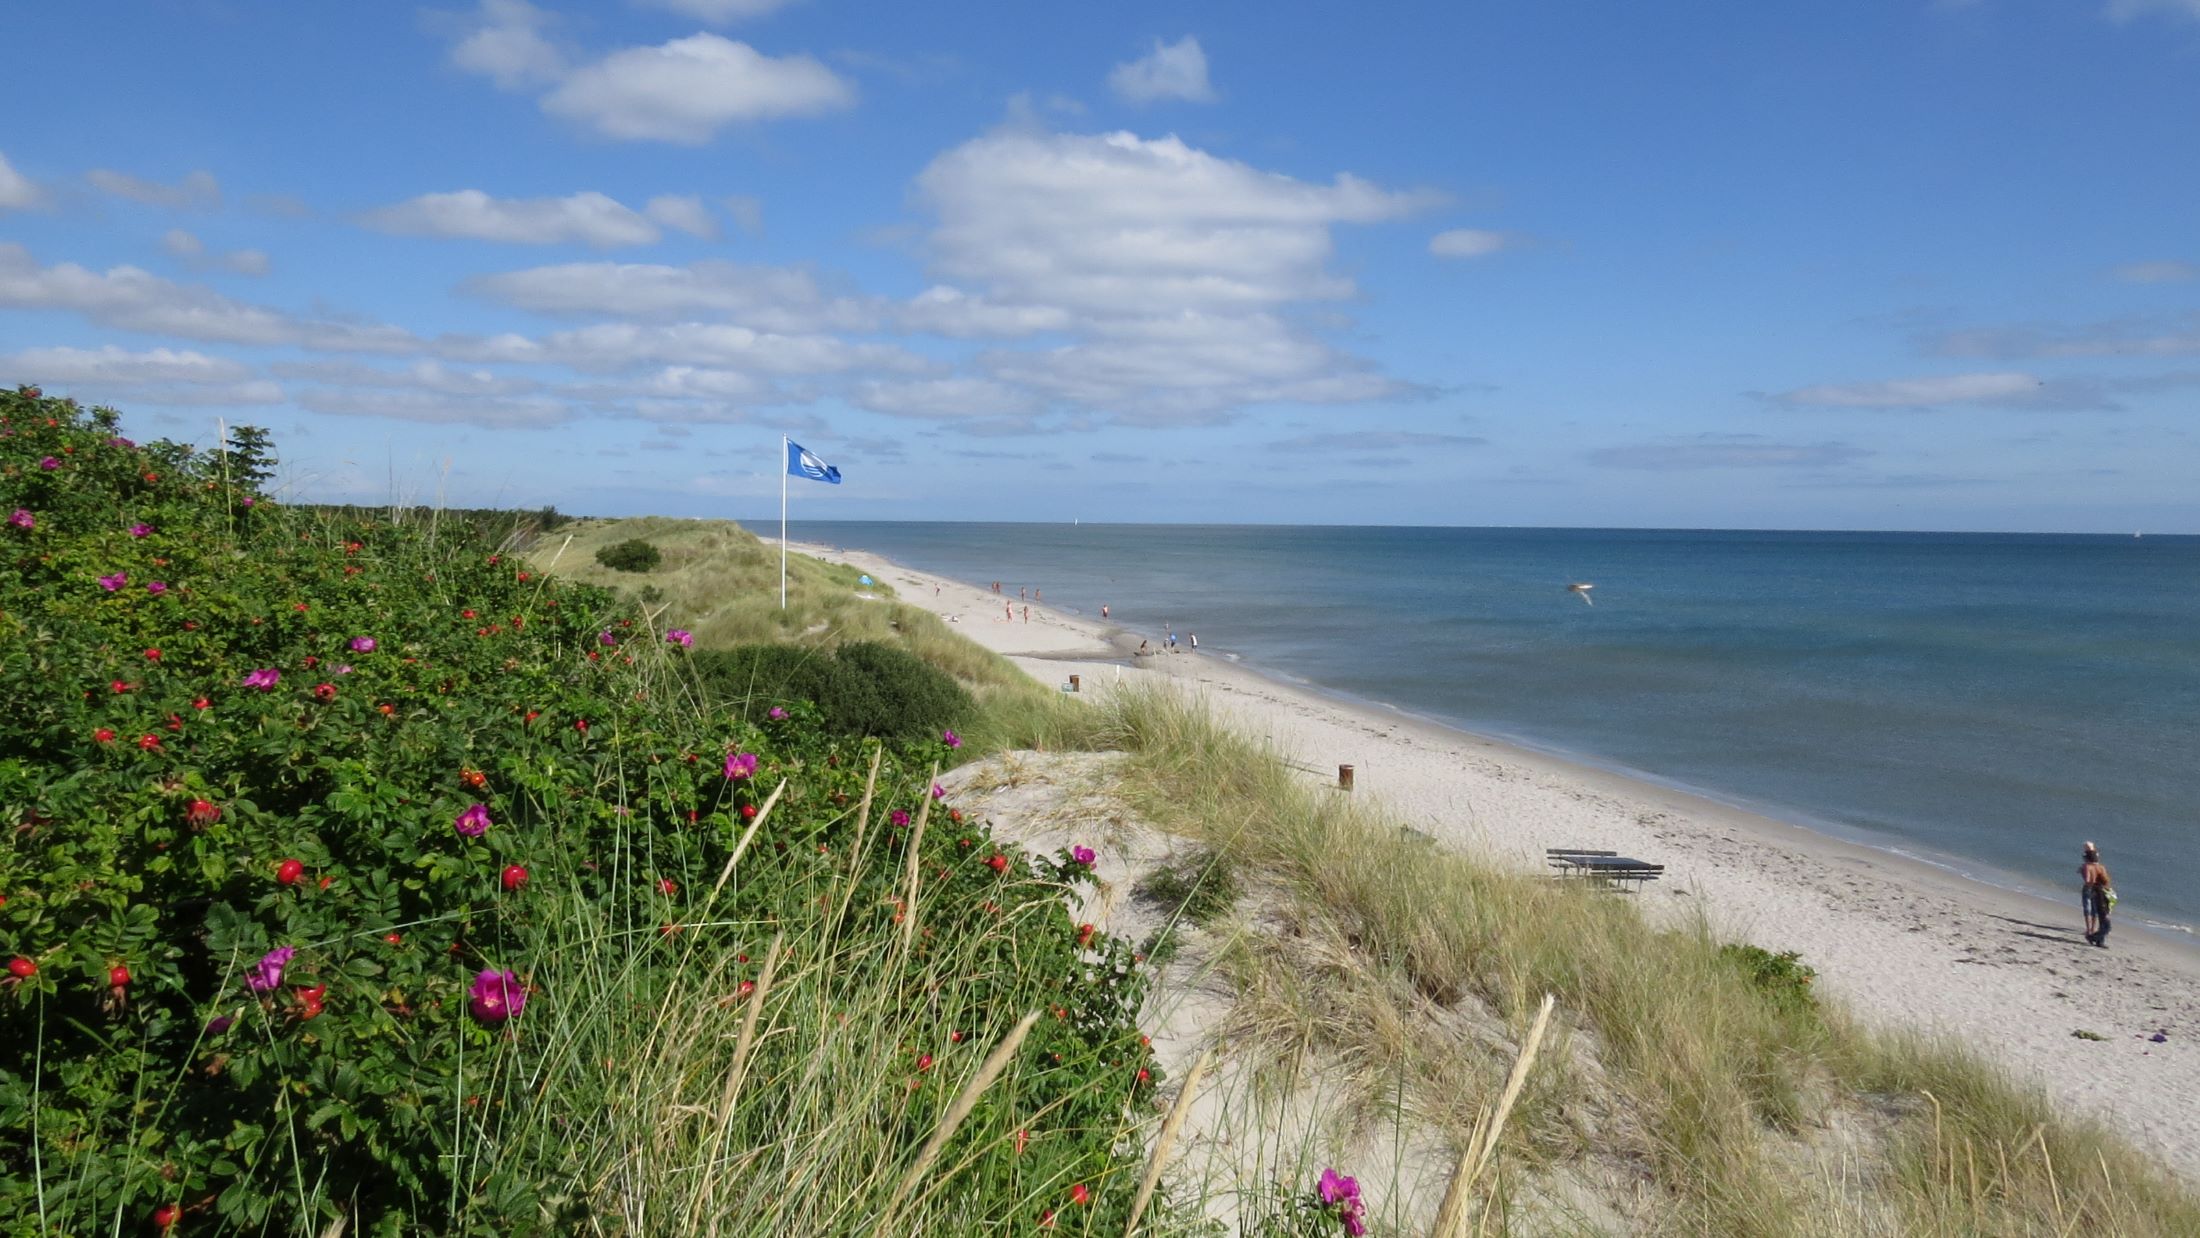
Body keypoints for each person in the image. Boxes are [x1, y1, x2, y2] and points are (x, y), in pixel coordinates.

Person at [2080, 842, 2114, 947]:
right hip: (2103, 891)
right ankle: (2097, 938)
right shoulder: (2101, 867)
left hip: (2096, 891)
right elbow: (2106, 880)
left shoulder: (2087, 867)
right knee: (2102, 916)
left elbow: (2088, 880)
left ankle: (2094, 936)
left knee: (2094, 912)